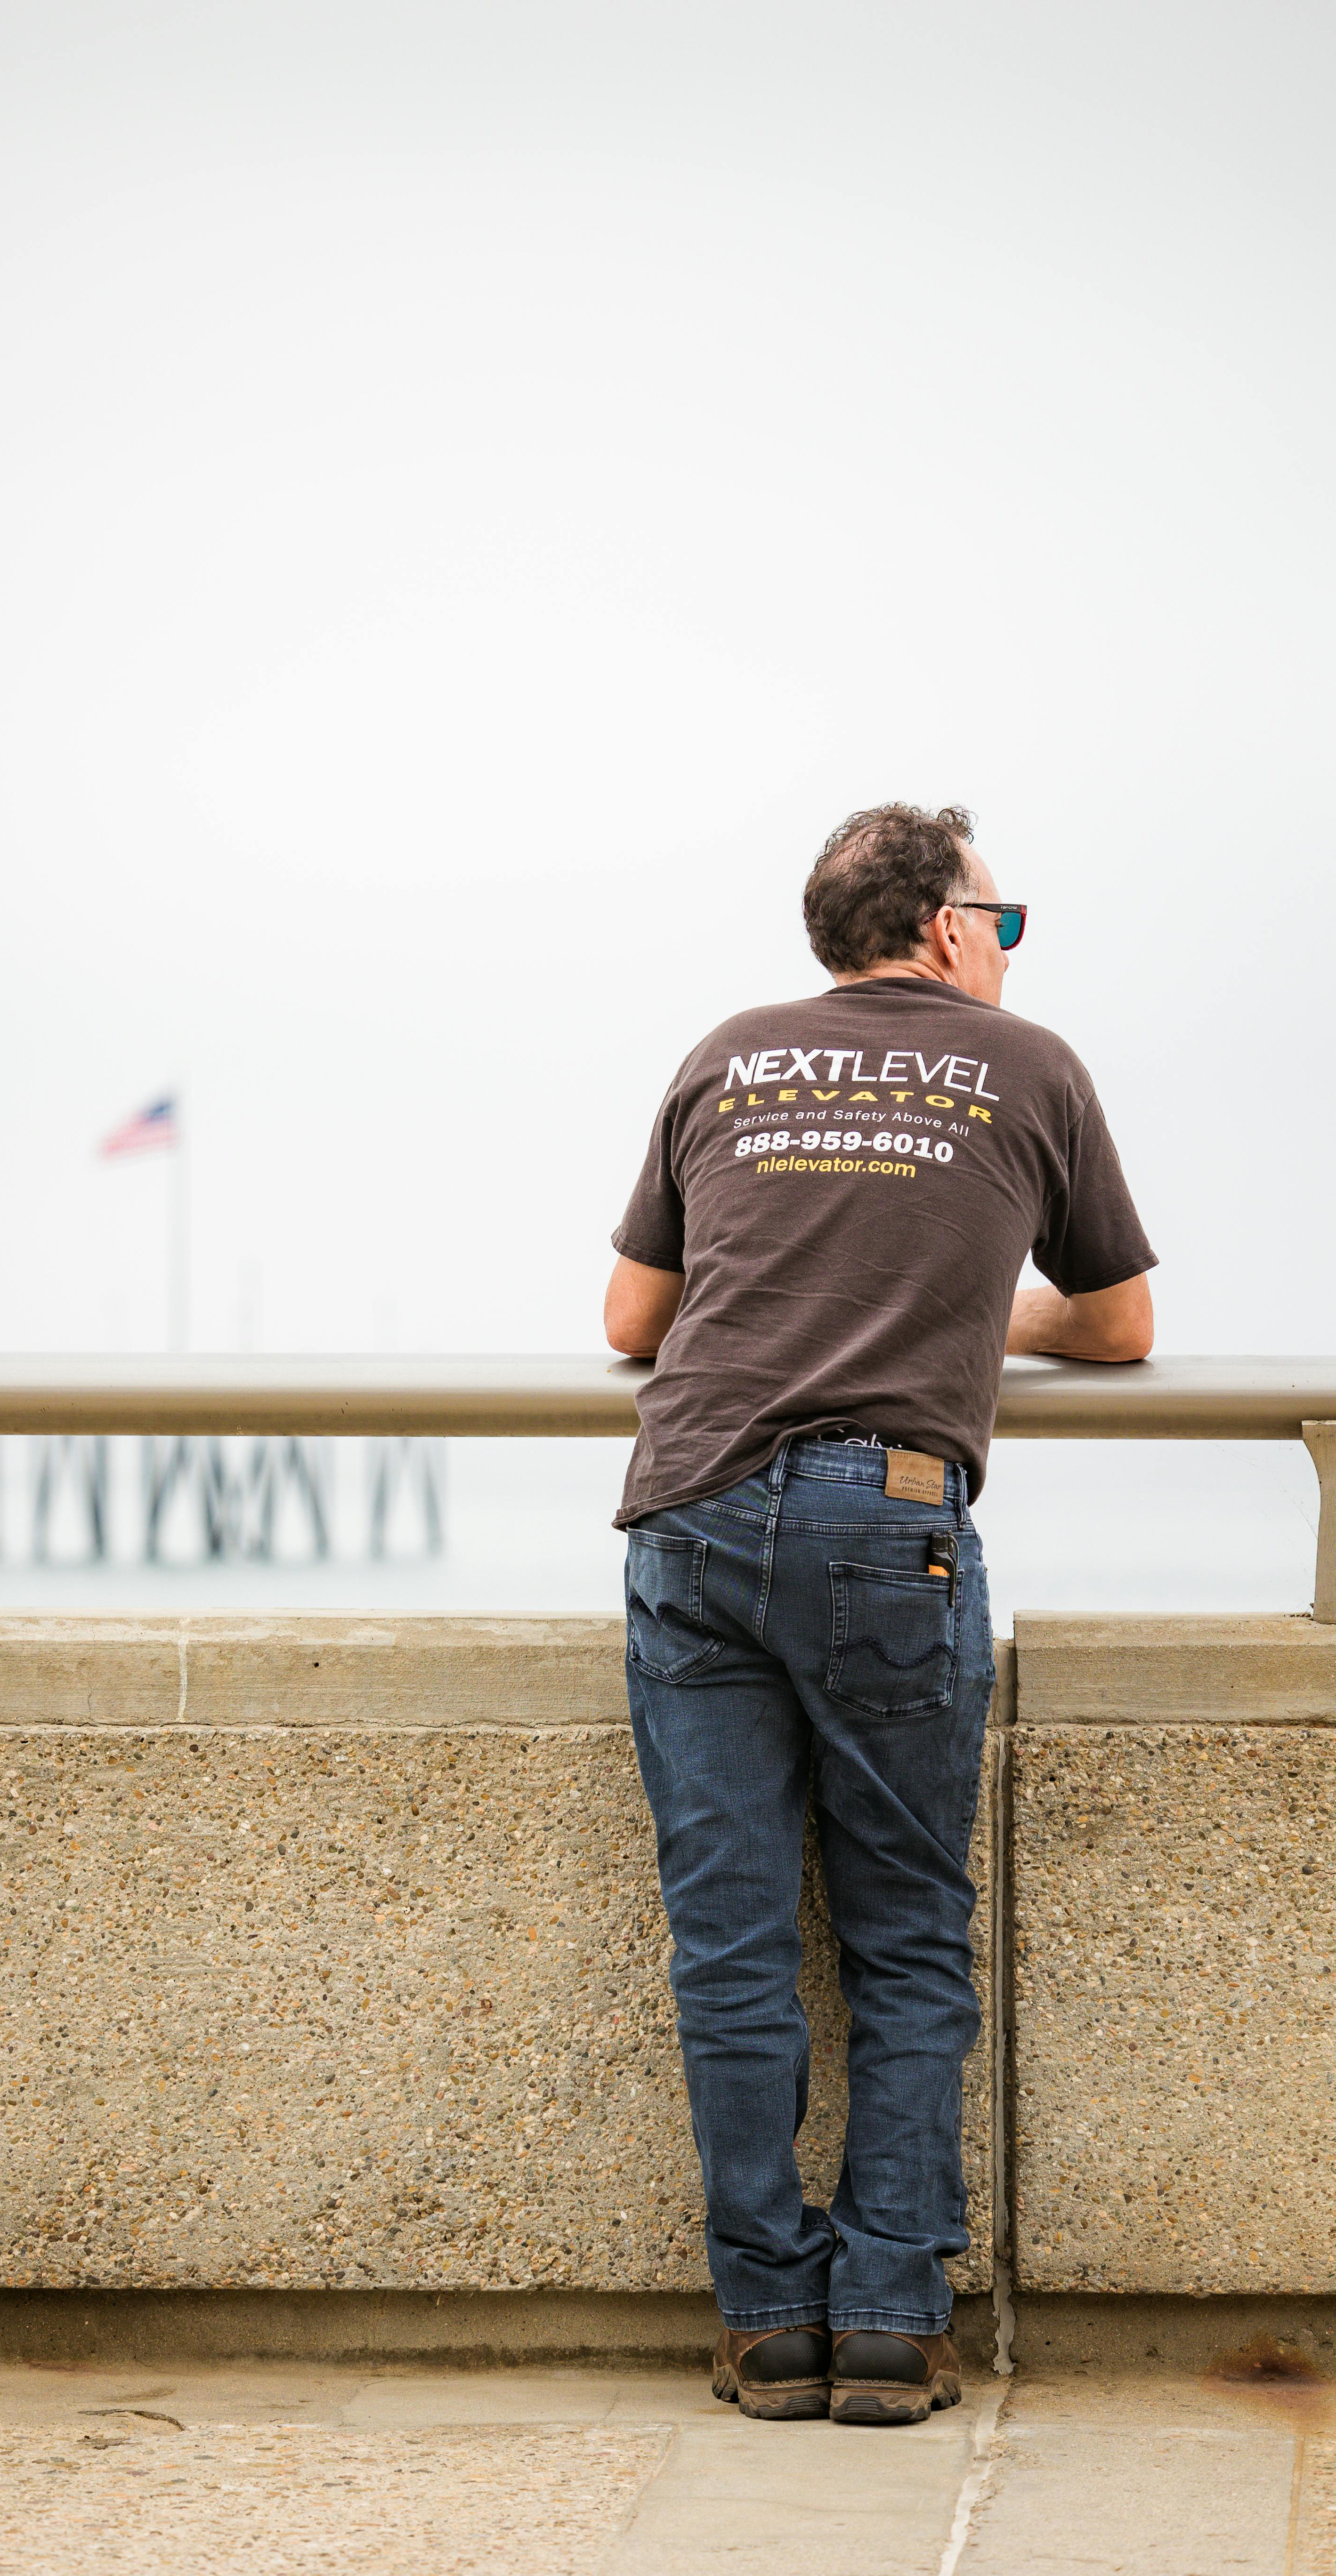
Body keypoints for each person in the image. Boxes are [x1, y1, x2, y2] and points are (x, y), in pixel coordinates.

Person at [605, 804, 1154, 2428]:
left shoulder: (729, 1055)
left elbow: (633, 1317)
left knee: (731, 1944)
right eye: (1005, 918)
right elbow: (1122, 1324)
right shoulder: (1030, 1066)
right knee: (907, 1938)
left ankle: (770, 2321)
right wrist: (964, 1306)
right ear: (943, 926)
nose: (1010, 949)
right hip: (880, 1517)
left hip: (693, 1503)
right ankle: (896, 2324)